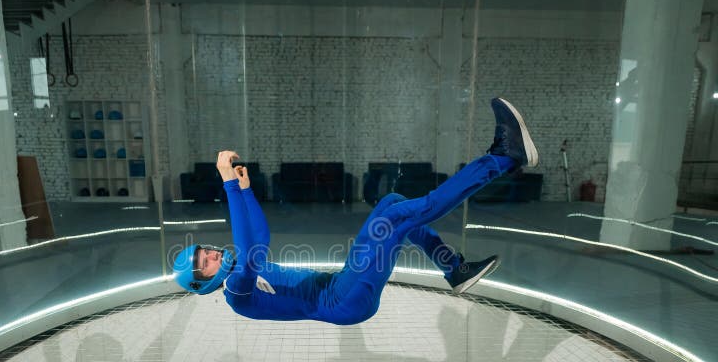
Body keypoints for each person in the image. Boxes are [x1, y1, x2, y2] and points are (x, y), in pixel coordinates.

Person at [174, 97, 538, 325]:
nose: (210, 254)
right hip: (340, 301)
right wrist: (227, 183)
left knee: (392, 204)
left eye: (204, 250)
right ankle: (504, 157)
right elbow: (255, 245)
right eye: (202, 262)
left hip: (339, 286)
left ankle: (453, 268)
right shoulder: (236, 293)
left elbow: (258, 238)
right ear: (202, 283)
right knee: (395, 218)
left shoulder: (239, 272)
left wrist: (245, 190)